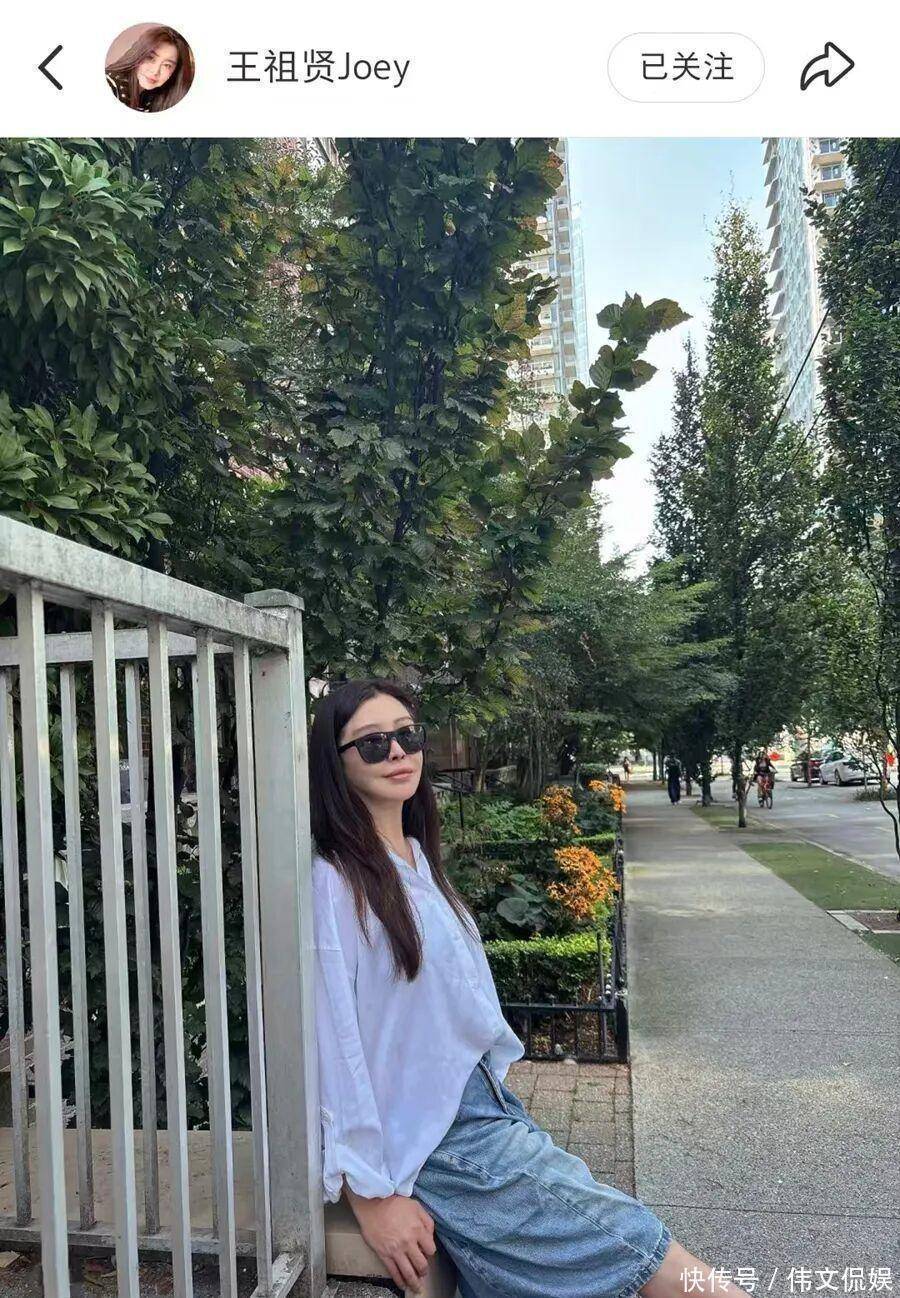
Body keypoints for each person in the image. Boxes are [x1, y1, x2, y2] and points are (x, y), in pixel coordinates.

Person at [309, 678, 750, 1298]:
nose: (399, 752)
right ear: (337, 763)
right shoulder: (333, 884)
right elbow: (334, 1045)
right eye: (373, 743)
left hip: (486, 1108)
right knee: (646, 1252)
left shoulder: (416, 860)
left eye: (409, 735)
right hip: (440, 1142)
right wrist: (371, 1196)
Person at [105, 26, 194, 112]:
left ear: (175, 72)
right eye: (150, 58)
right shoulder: (110, 85)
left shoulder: (157, 100)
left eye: (167, 65)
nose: (155, 71)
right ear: (138, 54)